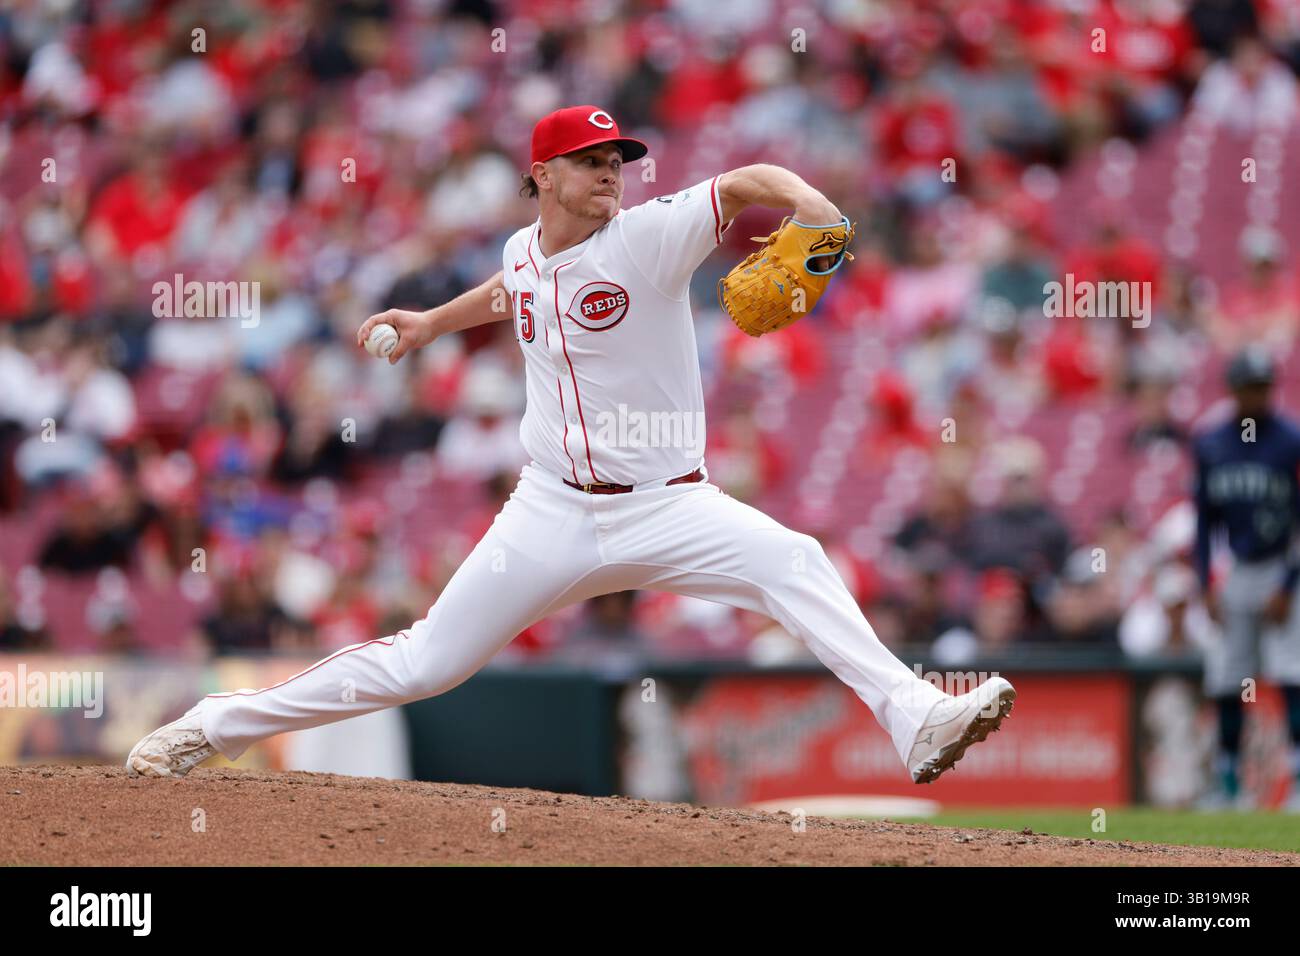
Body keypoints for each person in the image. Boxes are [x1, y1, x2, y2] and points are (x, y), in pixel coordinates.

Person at [126, 105, 1015, 785]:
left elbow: (745, 181)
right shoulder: (523, 250)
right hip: (549, 511)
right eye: (590, 162)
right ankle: (218, 725)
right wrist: (432, 323)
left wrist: (813, 206)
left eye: (617, 160)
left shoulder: (650, 239)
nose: (611, 174)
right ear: (543, 175)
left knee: (795, 560)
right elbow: (514, 287)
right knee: (425, 663)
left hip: (669, 504)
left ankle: (913, 718)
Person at [1191, 347, 1300, 811]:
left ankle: (1297, 779)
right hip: (1235, 569)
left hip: (1283, 565)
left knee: (1291, 673)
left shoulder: (1291, 440)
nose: (1257, 396)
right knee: (1228, 678)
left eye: (1263, 387)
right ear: (1233, 390)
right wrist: (1205, 582)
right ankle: (1228, 780)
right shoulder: (1211, 442)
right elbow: (1202, 522)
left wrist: (1289, 583)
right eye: (1249, 387)